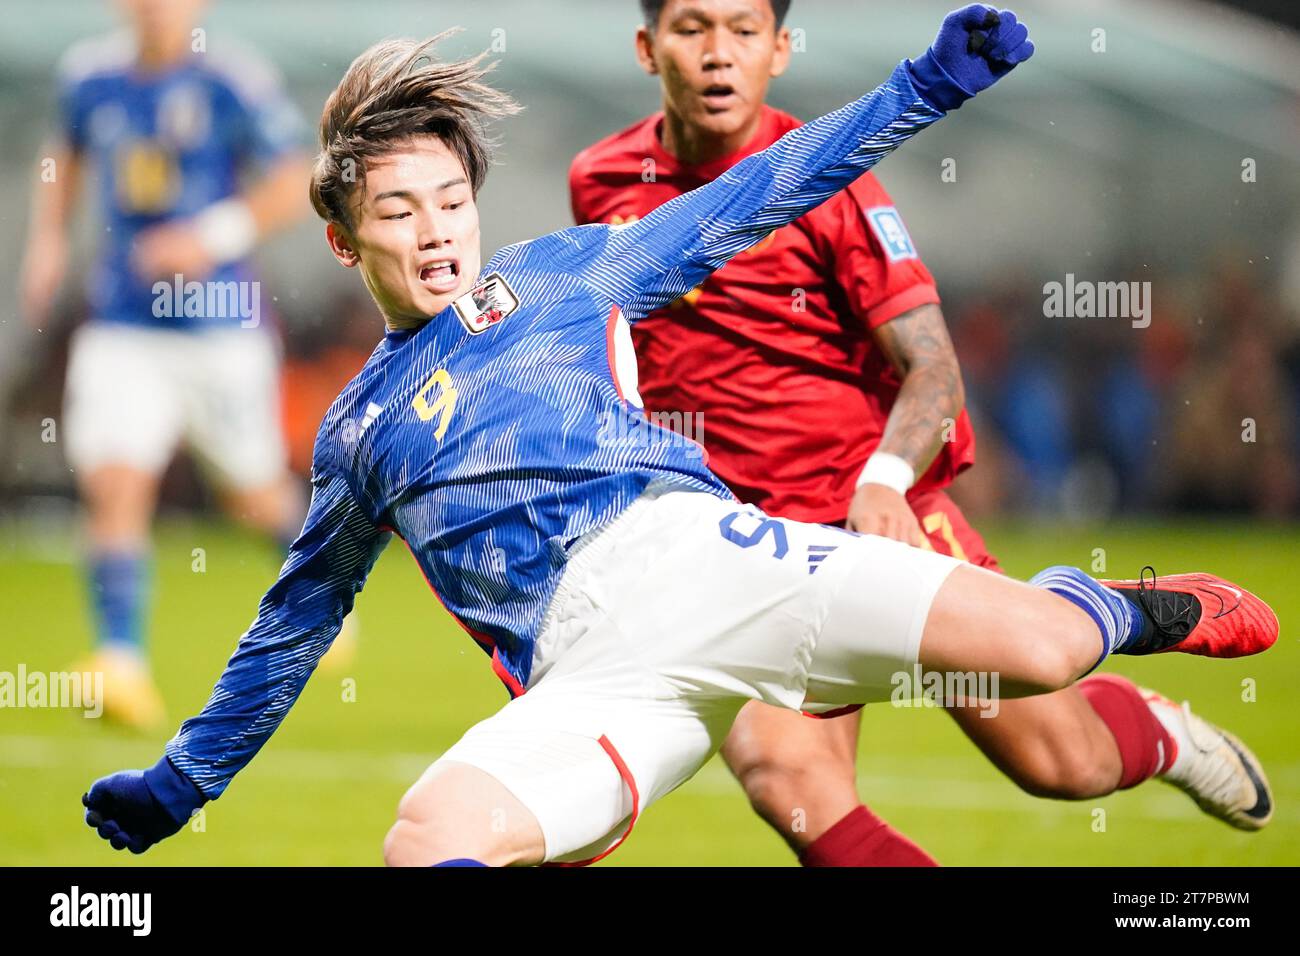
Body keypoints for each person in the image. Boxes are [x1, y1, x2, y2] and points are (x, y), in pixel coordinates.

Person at [82, 9, 1277, 867]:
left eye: (452, 200)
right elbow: (292, 625)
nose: (436, 230)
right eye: (398, 210)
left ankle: (1129, 613)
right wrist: (180, 783)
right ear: (345, 242)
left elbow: (754, 196)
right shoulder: (357, 434)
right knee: (428, 836)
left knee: (1047, 663)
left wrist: (925, 87)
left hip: (723, 555)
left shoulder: (561, 277)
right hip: (593, 672)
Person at [567, 0, 1275, 865]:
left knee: (1065, 764)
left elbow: (934, 368)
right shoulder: (599, 180)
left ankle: (1153, 720)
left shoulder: (832, 180)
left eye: (744, 30)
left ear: (781, 48)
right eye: (691, 28)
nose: (718, 55)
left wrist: (884, 482)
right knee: (786, 777)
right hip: (743, 544)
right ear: (647, 46)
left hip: (871, 515)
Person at [18, 0, 316, 730]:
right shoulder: (89, 77)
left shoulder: (232, 82)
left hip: (220, 330)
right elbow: (64, 159)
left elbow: (295, 177)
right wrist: (49, 242)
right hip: (123, 322)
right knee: (116, 480)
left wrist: (209, 235)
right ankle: (120, 660)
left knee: (252, 496)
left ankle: (321, 588)